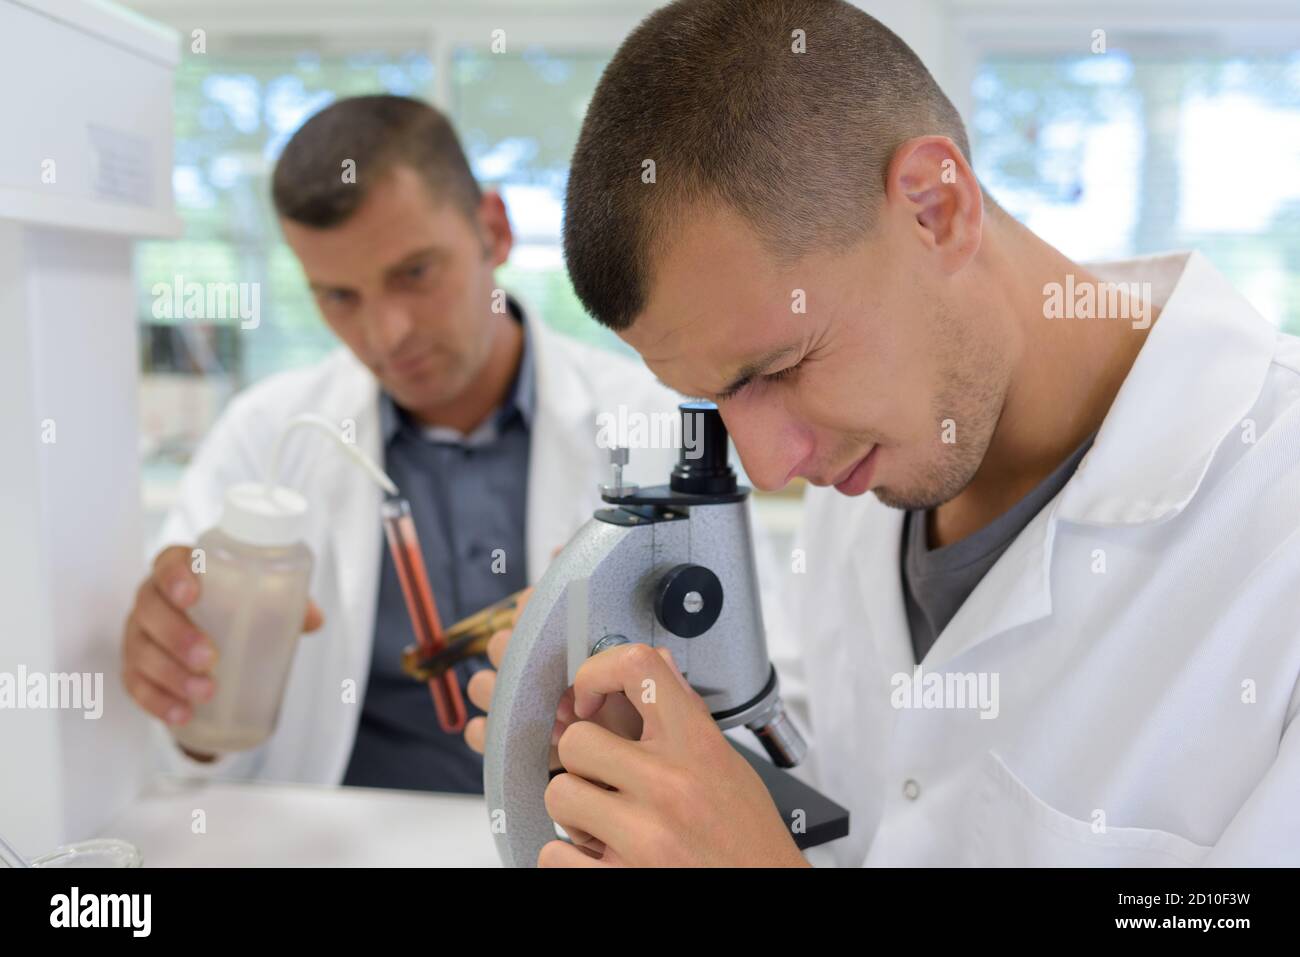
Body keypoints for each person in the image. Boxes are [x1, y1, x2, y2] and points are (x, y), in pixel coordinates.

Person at [468, 0, 1300, 865]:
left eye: (780, 367)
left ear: (935, 207)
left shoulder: (1275, 518)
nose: (770, 463)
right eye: (720, 402)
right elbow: (859, 816)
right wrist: (669, 780)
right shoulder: (870, 469)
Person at [120, 95, 679, 792]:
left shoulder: (651, 425)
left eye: (414, 273)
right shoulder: (264, 434)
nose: (386, 335)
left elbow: (757, 702)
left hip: (576, 838)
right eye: (338, 296)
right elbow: (187, 752)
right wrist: (185, 685)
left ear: (494, 231)